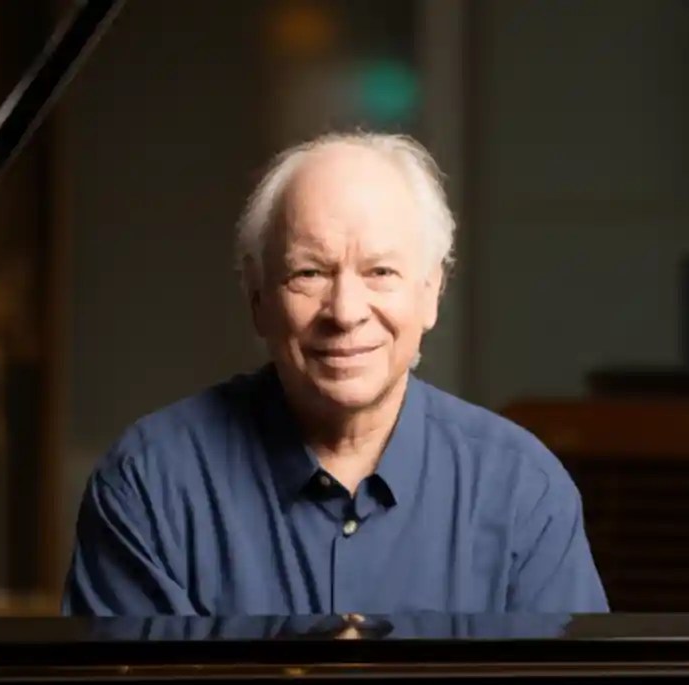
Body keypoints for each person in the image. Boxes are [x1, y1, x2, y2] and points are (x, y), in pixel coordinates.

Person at [62, 131, 609, 616]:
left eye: (381, 272)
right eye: (310, 272)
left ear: (432, 293)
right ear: (257, 296)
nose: (345, 311)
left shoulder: (524, 493)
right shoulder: (150, 485)